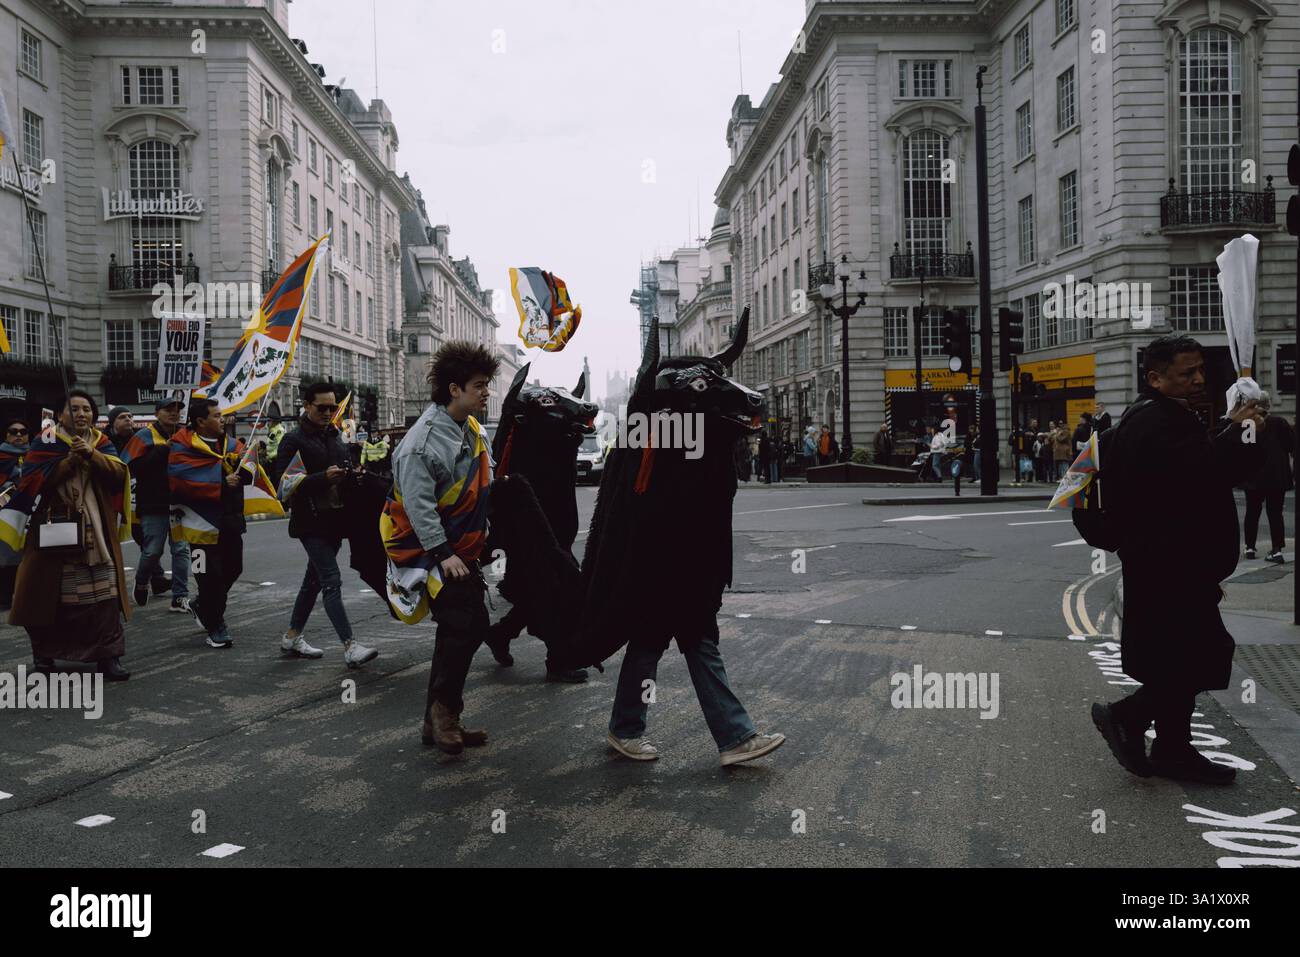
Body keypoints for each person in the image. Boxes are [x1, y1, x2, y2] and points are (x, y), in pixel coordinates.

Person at [1092, 335, 1265, 785]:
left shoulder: (1160, 417)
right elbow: (1204, 475)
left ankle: (1174, 749)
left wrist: (1230, 427)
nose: (1199, 379)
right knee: (1200, 654)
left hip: (1169, 562)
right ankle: (1128, 716)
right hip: (1169, 565)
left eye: (1200, 371)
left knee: (1176, 657)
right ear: (1155, 377)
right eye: (1187, 373)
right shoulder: (1157, 423)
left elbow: (1195, 469)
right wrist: (1238, 432)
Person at [384, 341, 498, 754]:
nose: (486, 392)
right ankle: (443, 715)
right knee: (464, 626)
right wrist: (443, 553)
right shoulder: (422, 442)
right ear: (454, 389)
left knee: (464, 627)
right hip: (429, 552)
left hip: (462, 547)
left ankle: (438, 718)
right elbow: (418, 506)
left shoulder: (470, 428)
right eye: (479, 385)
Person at [8, 390, 132, 680]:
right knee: (48, 596)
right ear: (61, 414)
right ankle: (45, 655)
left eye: (86, 409)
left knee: (105, 598)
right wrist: (69, 463)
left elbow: (118, 476)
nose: (80, 414)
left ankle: (108, 657)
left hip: (97, 530)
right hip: (54, 529)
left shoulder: (102, 442)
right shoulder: (45, 441)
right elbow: (34, 482)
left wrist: (92, 456)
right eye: (73, 409)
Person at [271, 382, 377, 666]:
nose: (329, 412)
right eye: (322, 407)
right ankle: (350, 646)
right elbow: (282, 484)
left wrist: (353, 473)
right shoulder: (293, 440)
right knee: (331, 580)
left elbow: (343, 470)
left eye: (333, 407)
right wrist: (321, 478)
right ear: (306, 405)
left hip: (336, 520)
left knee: (313, 582)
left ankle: (292, 636)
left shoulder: (335, 436)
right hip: (310, 521)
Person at [169, 398, 255, 649]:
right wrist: (219, 479)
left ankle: (203, 605)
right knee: (207, 576)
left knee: (233, 569)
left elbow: (249, 475)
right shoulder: (181, 446)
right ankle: (216, 625)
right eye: (217, 416)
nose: (223, 419)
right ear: (200, 421)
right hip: (197, 528)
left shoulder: (231, 444)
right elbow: (178, 481)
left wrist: (247, 461)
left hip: (229, 522)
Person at [121, 396, 190, 612]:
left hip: (179, 503)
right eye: (169, 409)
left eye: (177, 409)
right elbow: (131, 467)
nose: (174, 413)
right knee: (152, 551)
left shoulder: (185, 433)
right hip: (152, 504)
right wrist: (163, 450)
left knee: (181, 550)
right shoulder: (144, 436)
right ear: (157, 412)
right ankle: (141, 582)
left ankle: (180, 596)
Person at [1240, 392, 1294, 563]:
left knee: (1252, 512)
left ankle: (1249, 547)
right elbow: (1291, 445)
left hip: (1253, 475)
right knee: (1275, 512)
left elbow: (1243, 448)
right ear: (1268, 405)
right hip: (1276, 476)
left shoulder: (1248, 424)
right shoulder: (1280, 422)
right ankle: (1277, 549)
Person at [0, 418, 31, 609]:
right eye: (14, 431)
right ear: (7, 435)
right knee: (6, 555)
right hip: (5, 513)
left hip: (31, 511)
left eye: (23, 431)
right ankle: (4, 598)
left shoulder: (36, 455)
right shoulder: (1, 456)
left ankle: (26, 596)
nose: (19, 435)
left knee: (28, 555)